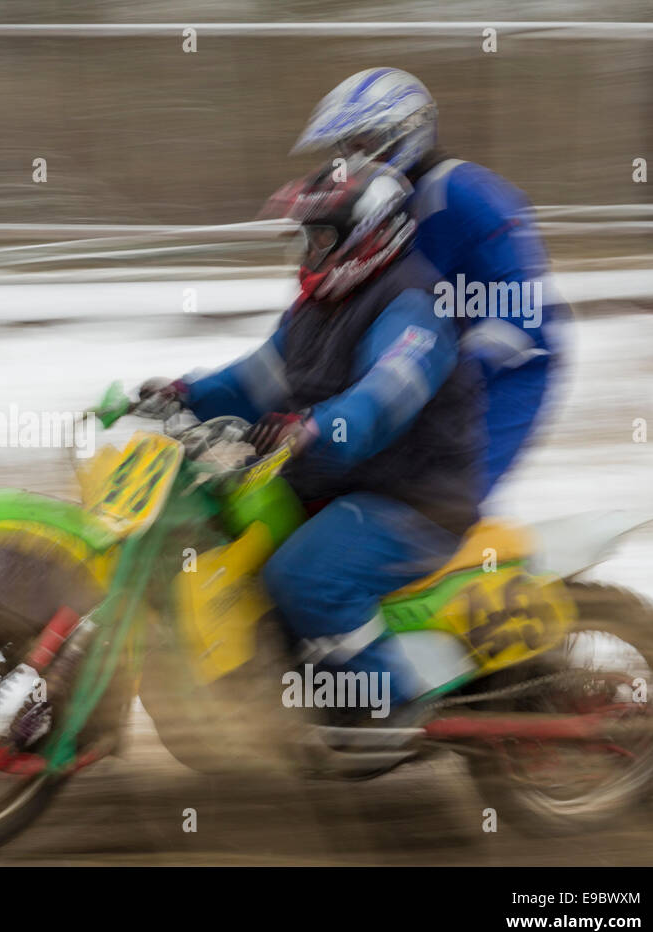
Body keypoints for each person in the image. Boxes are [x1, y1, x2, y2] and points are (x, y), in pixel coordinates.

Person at [141, 160, 483, 714]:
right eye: (308, 238)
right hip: (336, 484)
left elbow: (387, 394)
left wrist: (317, 427)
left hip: (413, 500)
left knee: (303, 576)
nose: (310, 252)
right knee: (216, 532)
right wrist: (185, 393)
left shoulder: (416, 303)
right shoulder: (318, 308)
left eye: (322, 237)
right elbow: (256, 378)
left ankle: (388, 704)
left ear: (368, 235)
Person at [290, 67, 567, 497]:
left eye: (363, 146)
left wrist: (448, 363)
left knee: (441, 495)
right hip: (424, 354)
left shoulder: (467, 193)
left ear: (404, 136)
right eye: (347, 149)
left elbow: (526, 308)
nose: (352, 163)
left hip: (508, 372)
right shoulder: (379, 201)